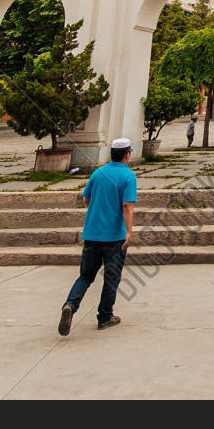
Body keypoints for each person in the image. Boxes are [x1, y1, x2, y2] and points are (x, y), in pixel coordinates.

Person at [58, 139, 137, 335]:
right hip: (114, 237)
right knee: (111, 279)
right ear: (127, 154)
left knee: (85, 276)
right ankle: (105, 316)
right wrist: (129, 231)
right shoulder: (128, 176)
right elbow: (127, 205)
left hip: (92, 234)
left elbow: (86, 199)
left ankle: (70, 305)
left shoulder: (98, 173)